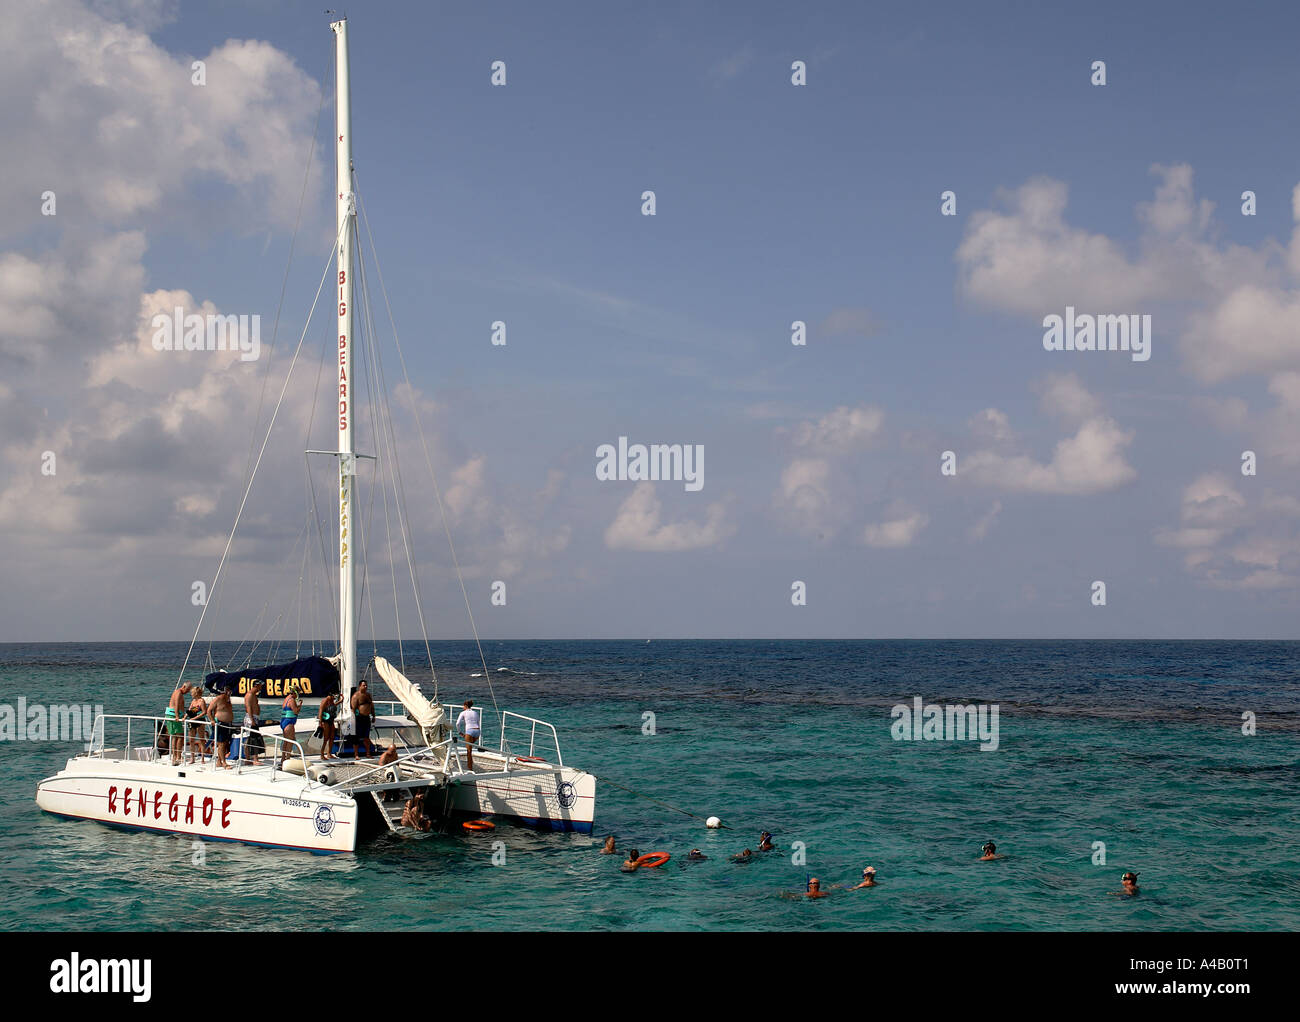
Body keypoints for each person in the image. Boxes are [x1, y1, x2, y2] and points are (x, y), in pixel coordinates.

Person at [165, 683, 192, 765]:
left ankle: (176, 756)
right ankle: (177, 756)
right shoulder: (178, 693)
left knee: (175, 736)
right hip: (173, 716)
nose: (187, 692)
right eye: (187, 690)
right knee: (179, 736)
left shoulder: (178, 693)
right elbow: (176, 705)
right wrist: (177, 716)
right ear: (183, 687)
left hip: (174, 715)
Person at [207, 688, 234, 769]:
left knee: (225, 743)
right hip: (220, 724)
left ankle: (219, 761)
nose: (230, 692)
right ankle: (224, 762)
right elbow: (209, 710)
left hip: (227, 724)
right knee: (221, 743)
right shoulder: (218, 699)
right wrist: (212, 720)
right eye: (229, 691)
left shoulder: (228, 699)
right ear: (225, 691)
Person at [351, 679, 376, 758]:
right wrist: (355, 718)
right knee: (357, 737)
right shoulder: (356, 696)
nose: (365, 687)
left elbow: (371, 706)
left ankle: (368, 754)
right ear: (360, 686)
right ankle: (356, 754)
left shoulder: (368, 695)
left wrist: (373, 715)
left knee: (366, 737)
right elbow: (353, 708)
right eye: (363, 685)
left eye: (366, 685)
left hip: (367, 718)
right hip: (359, 718)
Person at [242, 680, 266, 765]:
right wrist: (252, 720)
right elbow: (248, 708)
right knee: (252, 738)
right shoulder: (249, 695)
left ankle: (249, 759)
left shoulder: (254, 695)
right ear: (256, 686)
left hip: (254, 718)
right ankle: (253, 759)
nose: (261, 687)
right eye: (260, 686)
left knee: (253, 738)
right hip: (250, 718)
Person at [279, 689, 303, 768]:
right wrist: (300, 705)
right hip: (288, 722)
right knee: (290, 741)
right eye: (298, 693)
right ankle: (287, 759)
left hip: (284, 721)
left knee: (286, 741)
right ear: (295, 693)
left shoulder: (286, 699)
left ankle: (283, 758)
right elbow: (296, 711)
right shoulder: (292, 700)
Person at [184, 686, 208, 764]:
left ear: (196, 693)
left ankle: (203, 758)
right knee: (191, 740)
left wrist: (196, 718)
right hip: (192, 721)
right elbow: (190, 710)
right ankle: (192, 758)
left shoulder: (201, 701)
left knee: (201, 739)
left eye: (192, 693)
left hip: (200, 721)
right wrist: (184, 717)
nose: (191, 694)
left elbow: (204, 712)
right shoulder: (193, 701)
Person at [455, 700, 481, 771]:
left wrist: (459, 732)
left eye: (463, 706)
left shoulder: (463, 713)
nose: (463, 707)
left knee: (469, 751)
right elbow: (478, 722)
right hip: (477, 731)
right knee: (470, 748)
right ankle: (470, 763)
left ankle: (470, 769)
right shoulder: (475, 712)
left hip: (469, 731)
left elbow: (457, 723)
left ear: (466, 706)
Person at [318, 692, 338, 760]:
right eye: (334, 696)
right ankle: (322, 754)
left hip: (331, 720)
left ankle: (329, 753)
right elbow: (320, 711)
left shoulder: (332, 701)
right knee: (326, 738)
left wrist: (340, 702)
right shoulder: (325, 701)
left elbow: (333, 706)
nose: (334, 698)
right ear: (330, 695)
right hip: (325, 721)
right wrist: (320, 723)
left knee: (332, 737)